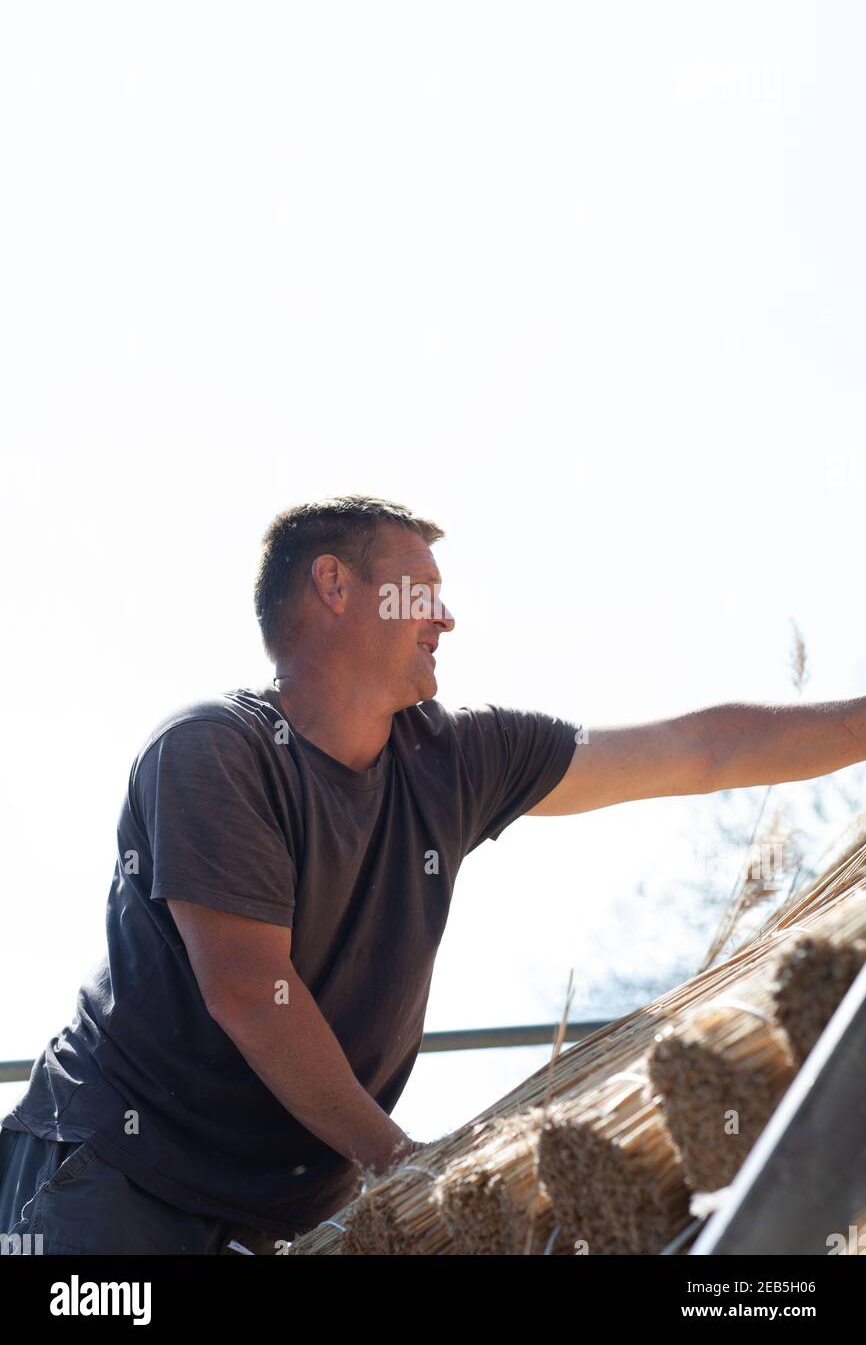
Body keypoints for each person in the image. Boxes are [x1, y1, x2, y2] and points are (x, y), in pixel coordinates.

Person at [3, 495, 866, 1255]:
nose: (446, 618)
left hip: (287, 1215)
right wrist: (395, 1157)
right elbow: (245, 987)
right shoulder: (212, 752)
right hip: (117, 1182)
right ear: (334, 586)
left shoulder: (455, 757)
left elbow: (697, 749)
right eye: (423, 590)